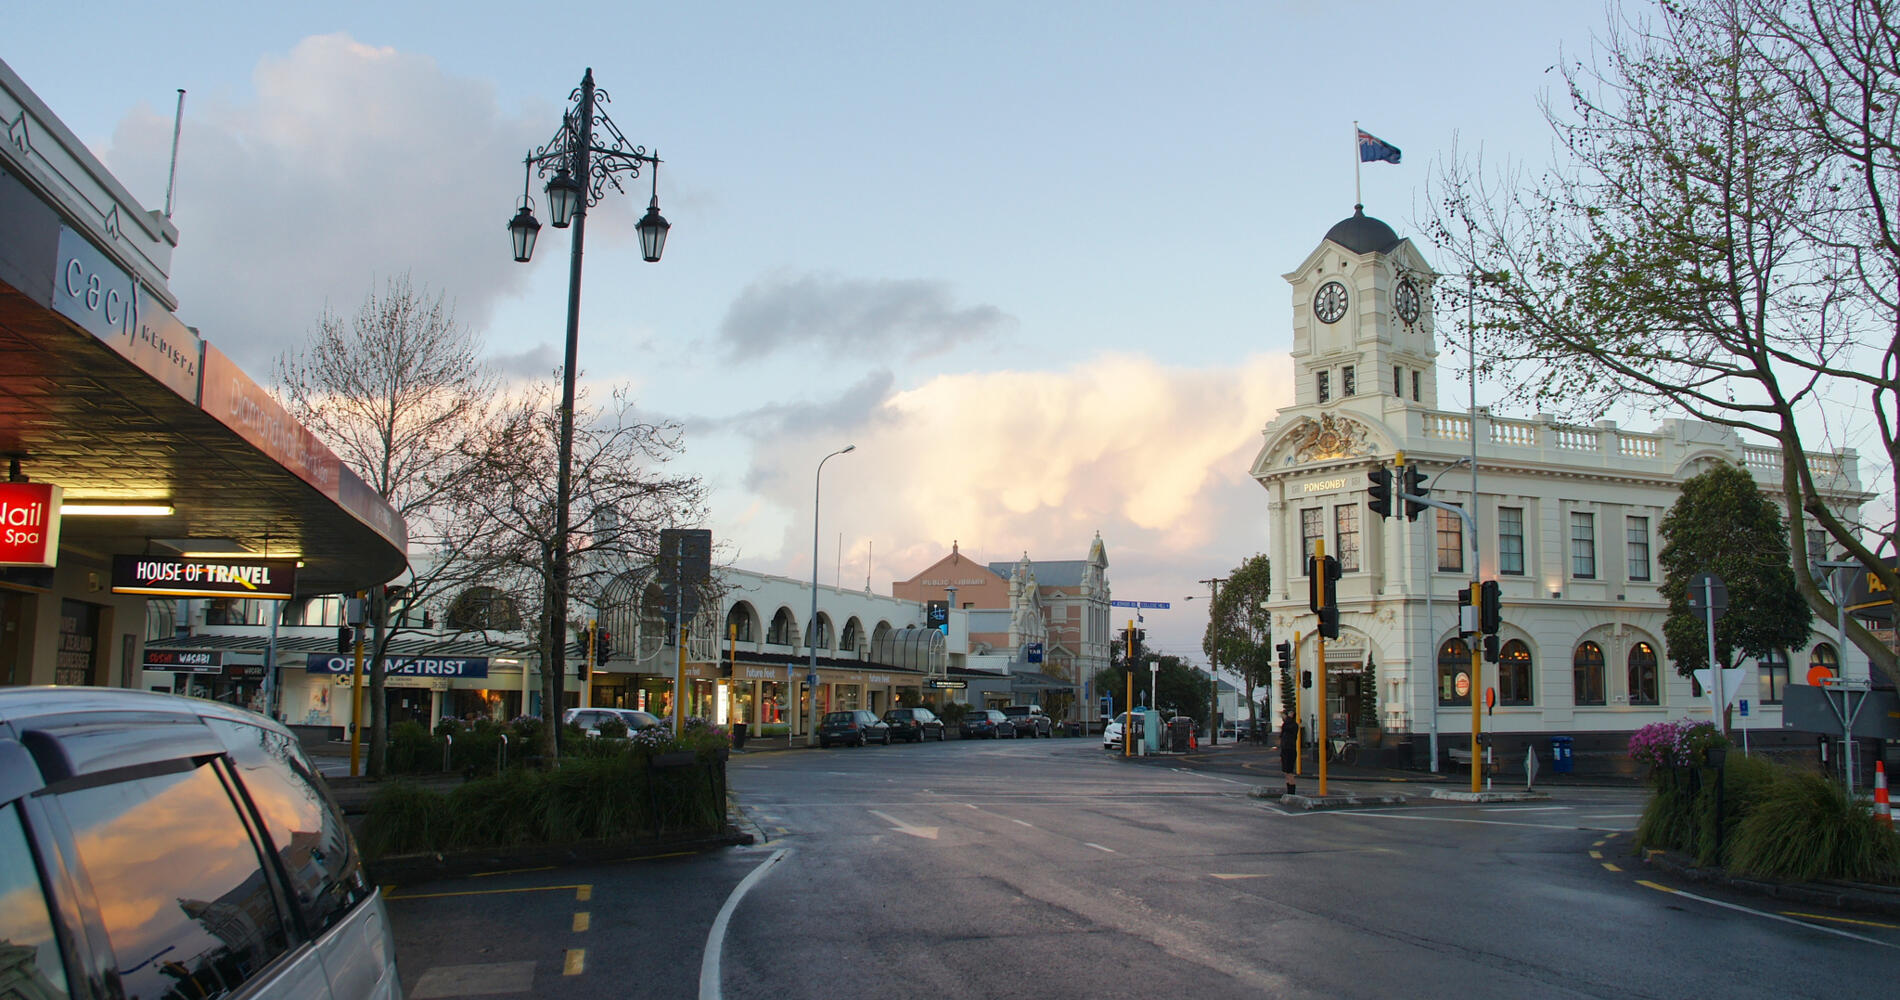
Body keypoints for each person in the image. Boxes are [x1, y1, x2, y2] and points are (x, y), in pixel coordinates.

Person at [1279, 708, 1300, 796]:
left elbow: (1288, 726)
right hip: (1285, 749)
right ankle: (1289, 791)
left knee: (1289, 772)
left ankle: (1291, 792)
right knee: (1286, 772)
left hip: (1290, 750)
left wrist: (1287, 717)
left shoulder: (1293, 725)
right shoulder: (1286, 725)